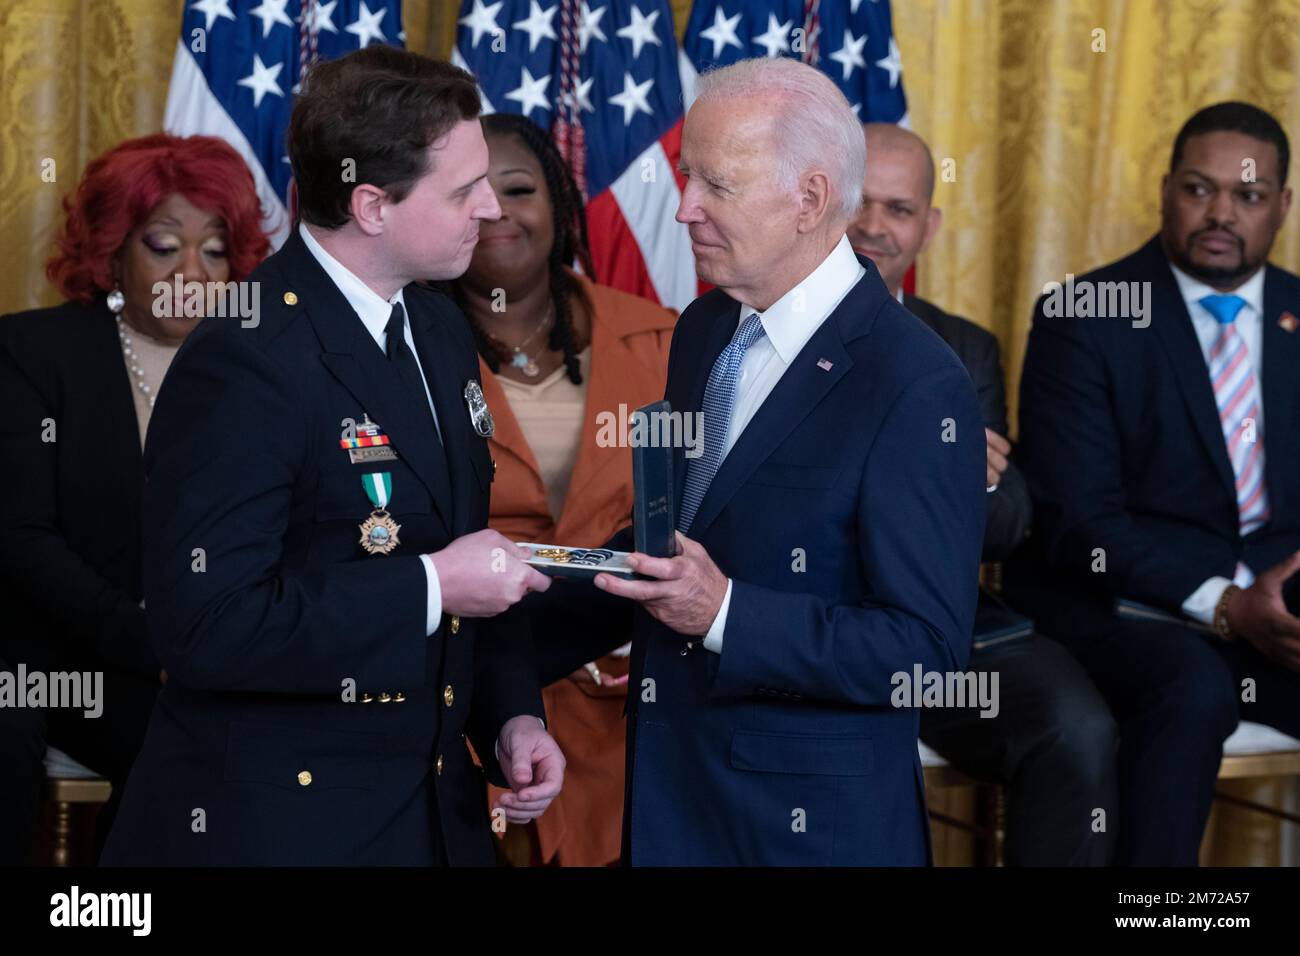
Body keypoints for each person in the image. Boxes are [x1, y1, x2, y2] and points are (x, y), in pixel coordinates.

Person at [100, 46, 562, 867]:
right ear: (372, 205)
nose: (490, 208)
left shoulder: (439, 325)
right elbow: (209, 627)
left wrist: (514, 715)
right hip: (278, 828)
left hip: (431, 819)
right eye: (463, 190)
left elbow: (462, 552)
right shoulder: (246, 357)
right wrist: (429, 583)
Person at [534, 56, 986, 865]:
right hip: (672, 795)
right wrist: (511, 601)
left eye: (716, 185)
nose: (683, 210)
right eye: (683, 178)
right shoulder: (707, 326)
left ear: (810, 199)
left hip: (806, 829)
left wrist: (728, 615)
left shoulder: (916, 384)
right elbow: (673, 549)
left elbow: (926, 653)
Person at [1010, 101, 1300, 865]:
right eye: (1199, 189)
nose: (1221, 214)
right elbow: (1078, 522)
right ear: (1167, 188)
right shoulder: (1085, 315)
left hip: (1276, 615)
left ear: (1282, 205)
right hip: (1126, 612)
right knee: (1191, 687)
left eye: (1248, 195)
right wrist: (1229, 605)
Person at [847, 123, 1117, 865]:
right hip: (807, 626)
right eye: (859, 201)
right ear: (818, 199)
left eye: (899, 209)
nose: (874, 226)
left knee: (1076, 729)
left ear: (928, 227)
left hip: (948, 638)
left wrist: (983, 479)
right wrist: (916, 475)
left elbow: (1008, 523)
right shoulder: (747, 326)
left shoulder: (965, 350)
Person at [0, 134, 270, 863]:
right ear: (114, 251)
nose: (192, 271)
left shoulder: (263, 369)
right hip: (71, 659)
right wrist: (151, 643)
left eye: (215, 251)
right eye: (163, 245)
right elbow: (23, 539)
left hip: (223, 652)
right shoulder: (35, 353)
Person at [446, 113, 676, 867]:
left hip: (639, 694)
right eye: (473, 190)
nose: (499, 211)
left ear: (561, 205)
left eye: (520, 188)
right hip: (469, 692)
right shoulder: (401, 346)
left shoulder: (665, 338)